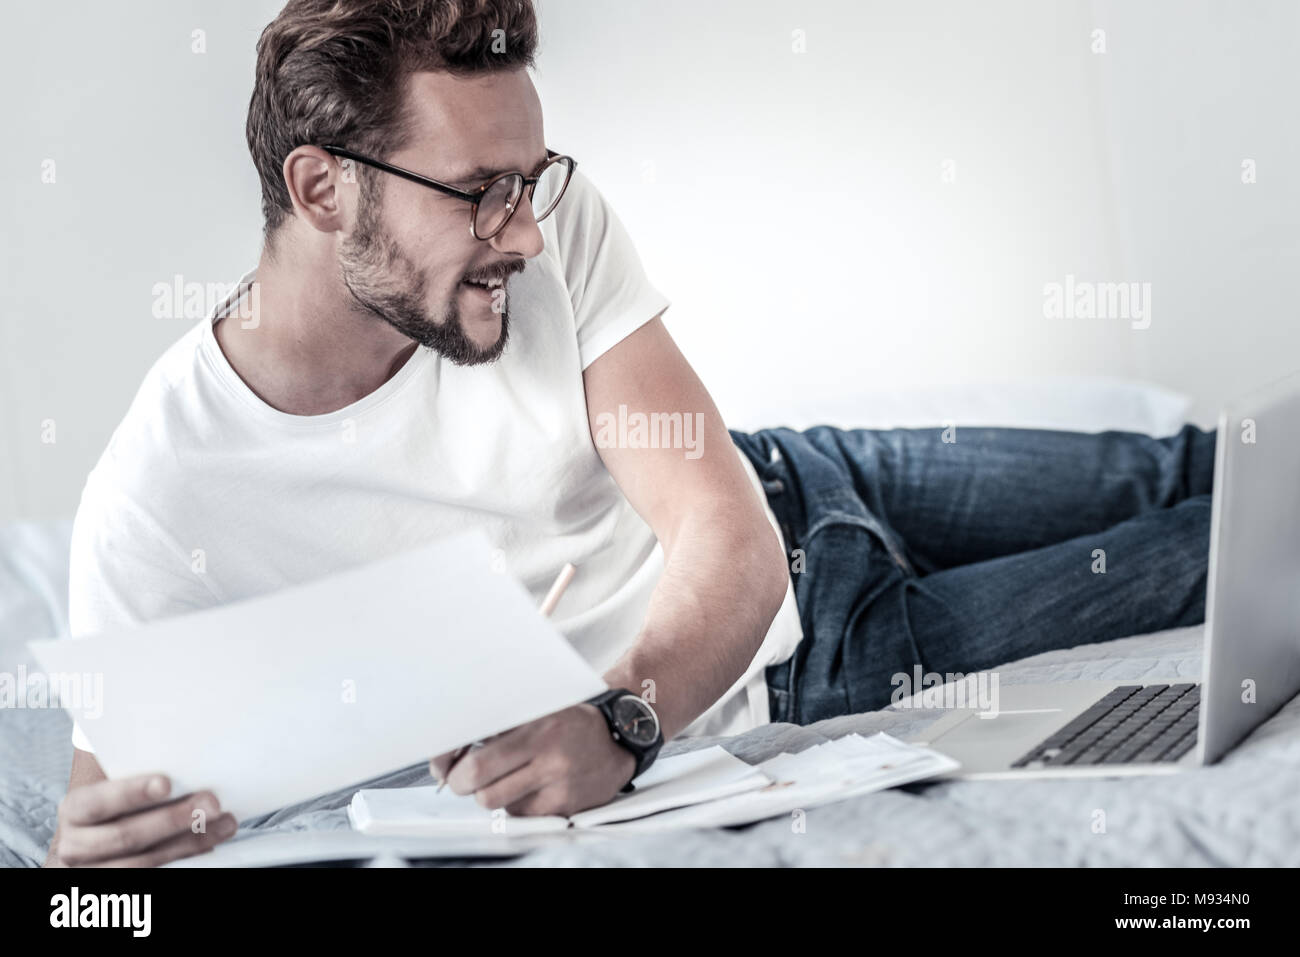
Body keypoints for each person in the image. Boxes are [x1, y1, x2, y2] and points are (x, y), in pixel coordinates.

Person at [44, 0, 1212, 867]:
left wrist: (620, 715)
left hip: (802, 482)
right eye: (477, 193)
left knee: (1209, 468)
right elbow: (113, 823)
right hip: (807, 664)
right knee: (1226, 555)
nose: (528, 235)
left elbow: (719, 522)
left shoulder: (542, 219)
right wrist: (84, 870)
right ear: (319, 190)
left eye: (531, 180)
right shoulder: (162, 502)